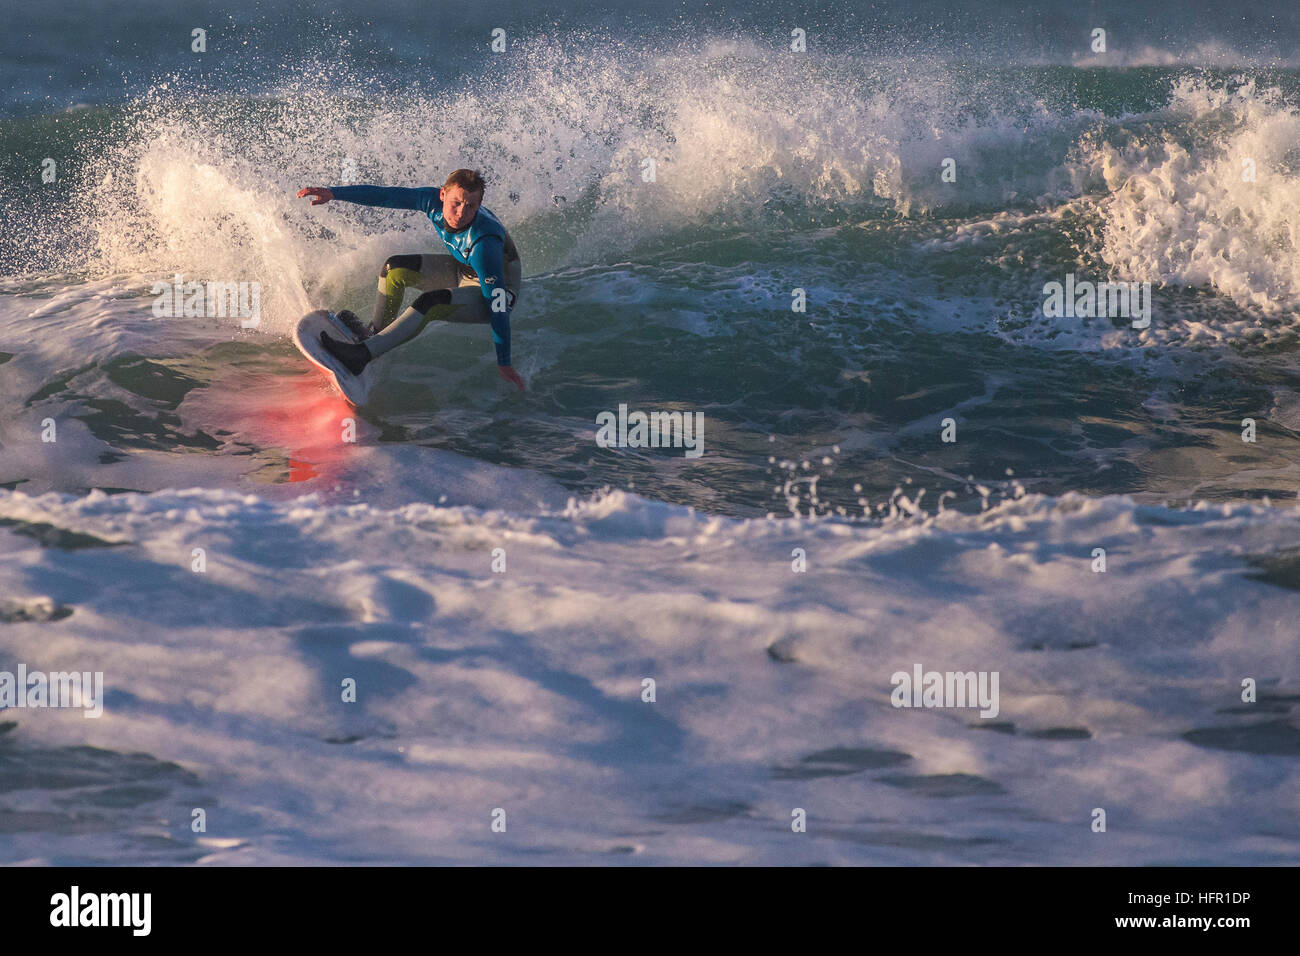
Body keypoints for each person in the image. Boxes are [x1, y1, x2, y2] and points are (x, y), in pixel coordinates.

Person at [296, 168, 524, 390]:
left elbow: (497, 303)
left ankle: (360, 356)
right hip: (463, 270)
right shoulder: (430, 201)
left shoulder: (484, 243)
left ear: (479, 205)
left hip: (496, 293)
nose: (461, 213)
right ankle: (373, 337)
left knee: (430, 302)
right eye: (456, 203)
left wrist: (504, 362)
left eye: (471, 206)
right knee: (394, 269)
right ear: (442, 194)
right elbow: (387, 195)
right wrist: (335, 193)